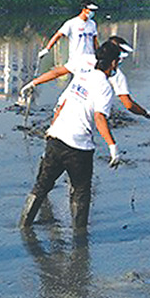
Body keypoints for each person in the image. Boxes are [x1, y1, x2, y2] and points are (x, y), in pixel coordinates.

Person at [19, 41, 124, 230]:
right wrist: (112, 147)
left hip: (56, 139)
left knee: (42, 186)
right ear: (114, 63)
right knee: (81, 191)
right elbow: (100, 118)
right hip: (79, 149)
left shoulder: (81, 77)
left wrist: (51, 130)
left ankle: (23, 226)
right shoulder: (105, 87)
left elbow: (61, 104)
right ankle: (80, 241)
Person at [21, 36, 150, 122]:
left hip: (63, 107)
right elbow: (128, 104)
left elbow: (58, 72)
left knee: (55, 139)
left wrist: (34, 82)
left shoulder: (84, 58)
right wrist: (145, 113)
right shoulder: (116, 75)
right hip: (82, 116)